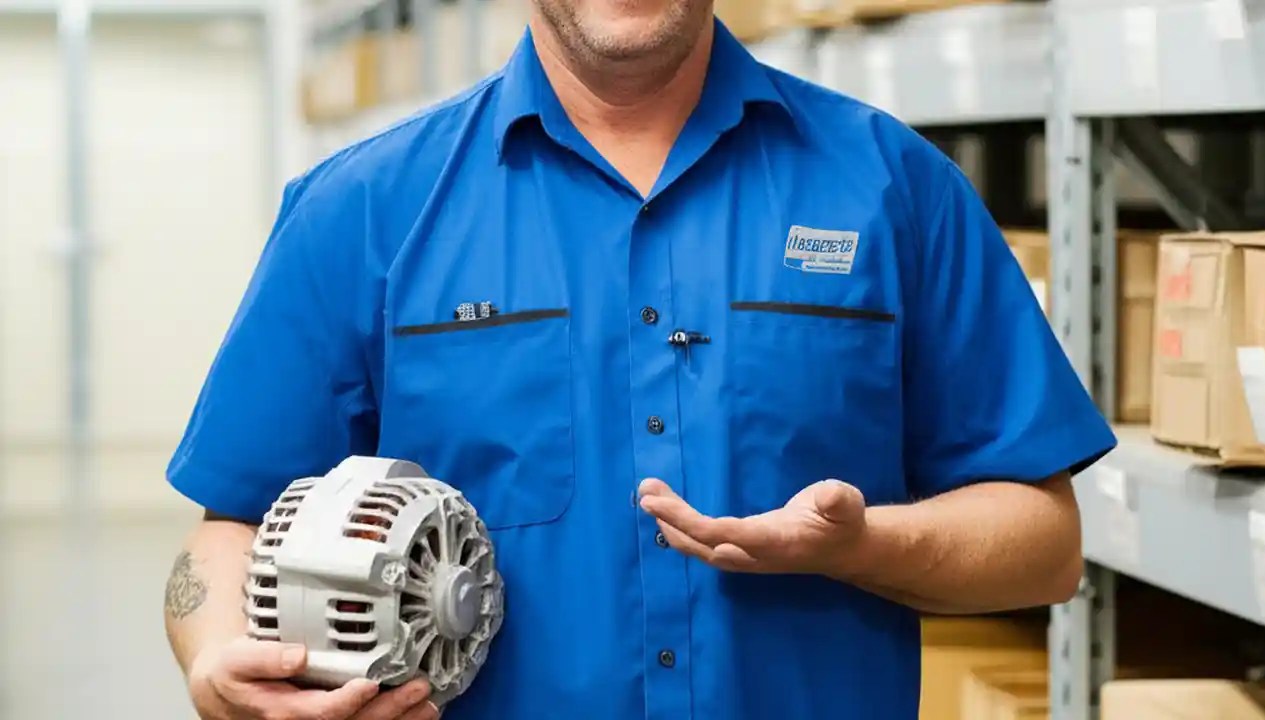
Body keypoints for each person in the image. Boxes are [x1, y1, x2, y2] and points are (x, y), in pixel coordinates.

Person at [162, 0, 1118, 718]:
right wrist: (216, 664)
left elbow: (1044, 544)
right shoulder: (361, 211)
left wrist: (864, 548)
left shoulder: (895, 188)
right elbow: (230, 527)